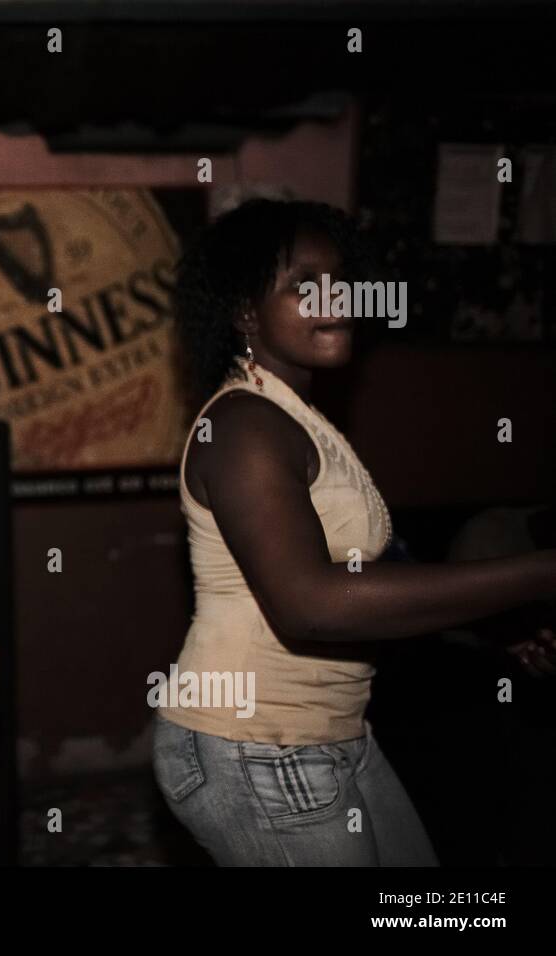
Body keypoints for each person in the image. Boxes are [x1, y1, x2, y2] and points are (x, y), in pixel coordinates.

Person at [150, 198, 556, 866]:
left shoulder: (291, 413)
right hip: (256, 743)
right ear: (246, 311)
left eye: (342, 280)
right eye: (303, 286)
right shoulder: (248, 426)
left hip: (326, 731)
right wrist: (539, 571)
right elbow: (311, 603)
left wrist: (495, 617)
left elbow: (369, 582)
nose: (335, 299)